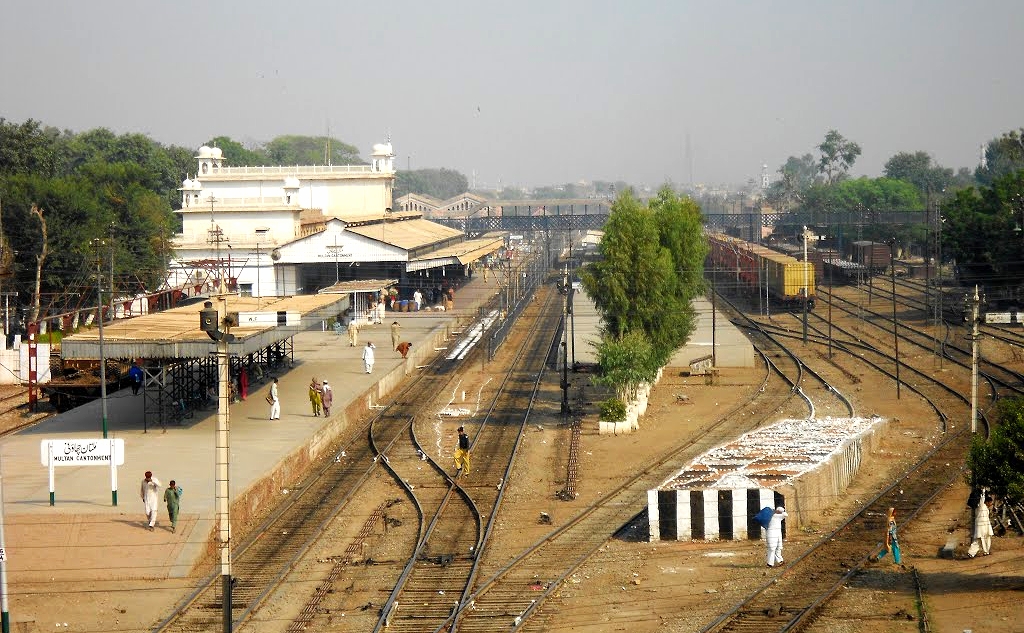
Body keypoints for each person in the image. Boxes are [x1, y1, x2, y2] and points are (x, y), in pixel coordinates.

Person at [968, 490, 994, 557]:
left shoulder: (986, 509)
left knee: (987, 538)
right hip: (981, 525)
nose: (991, 504)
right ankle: (971, 553)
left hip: (986, 525)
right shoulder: (981, 506)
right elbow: (982, 500)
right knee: (979, 539)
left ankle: (986, 551)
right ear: (987, 502)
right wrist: (983, 492)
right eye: (990, 502)